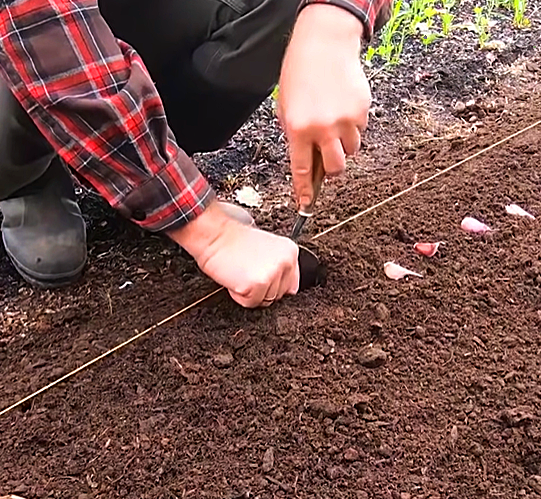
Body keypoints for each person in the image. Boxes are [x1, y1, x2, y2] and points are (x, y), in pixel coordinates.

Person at [0, 0, 391, 308]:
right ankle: (29, 177)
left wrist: (330, 27)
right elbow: (43, 32)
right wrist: (212, 235)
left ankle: (149, 159)